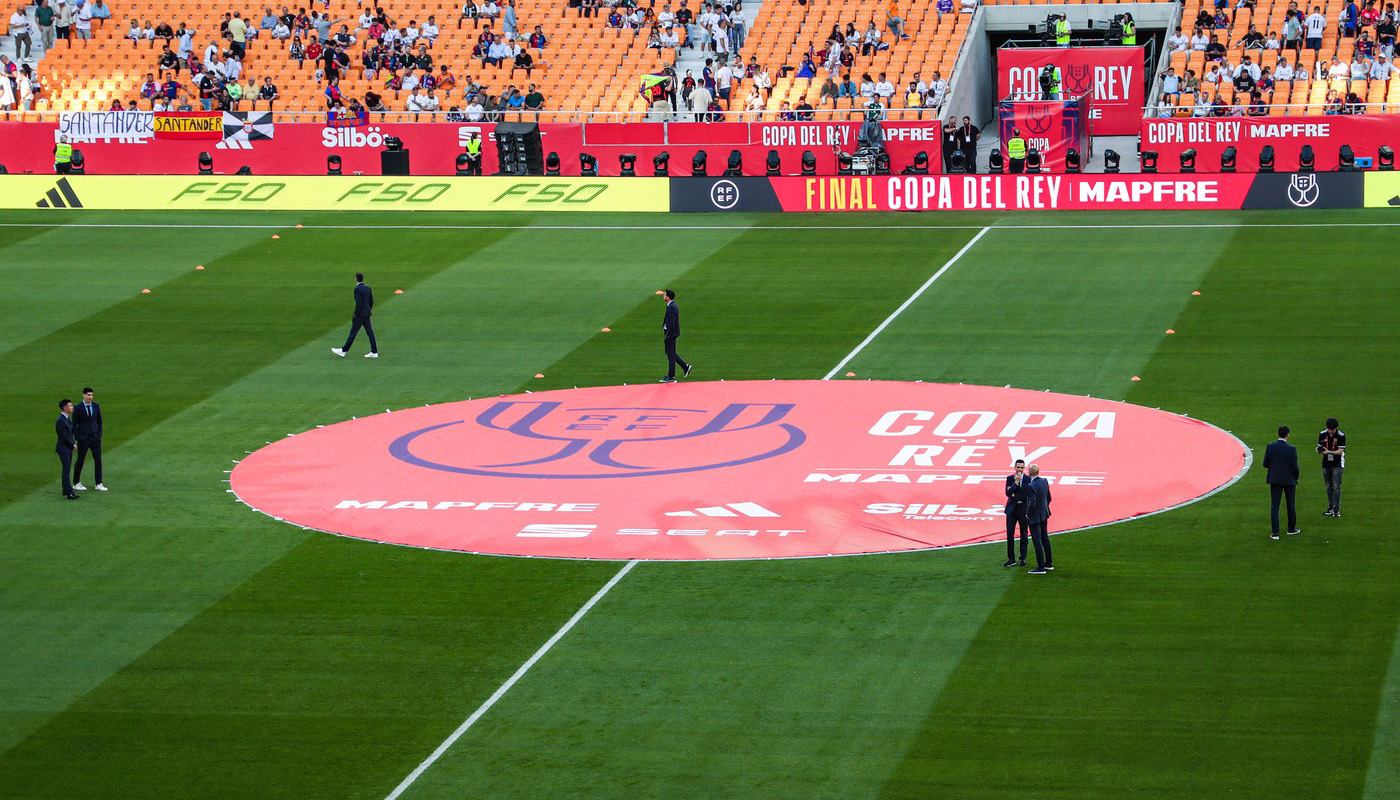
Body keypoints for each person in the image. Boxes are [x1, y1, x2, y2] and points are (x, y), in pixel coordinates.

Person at [1264, 425, 1301, 539]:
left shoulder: (1270, 447)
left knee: (1275, 505)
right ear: (1288, 435)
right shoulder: (1291, 449)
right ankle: (1291, 528)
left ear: (1277, 433)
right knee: (1291, 504)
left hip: (1275, 479)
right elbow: (1295, 467)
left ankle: (1275, 533)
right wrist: (1296, 477)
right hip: (1289, 480)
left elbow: (1265, 464)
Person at [332, 272, 378, 358]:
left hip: (360, 315)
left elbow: (359, 304)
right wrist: (368, 310)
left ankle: (343, 350)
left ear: (356, 279)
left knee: (353, 333)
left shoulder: (357, 289)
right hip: (366, 314)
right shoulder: (368, 288)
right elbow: (371, 301)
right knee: (370, 332)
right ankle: (374, 352)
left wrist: (355, 313)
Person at [72, 387, 105, 491]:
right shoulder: (78, 407)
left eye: (91, 395)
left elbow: (99, 421)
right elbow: (74, 424)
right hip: (83, 438)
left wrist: (99, 434)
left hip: (95, 438)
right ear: (83, 395)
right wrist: (78, 437)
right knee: (80, 460)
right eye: (88, 395)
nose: (90, 397)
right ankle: (76, 482)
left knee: (98, 460)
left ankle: (99, 483)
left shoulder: (96, 406)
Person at [1025, 463, 1053, 573]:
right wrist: (1044, 508)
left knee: (1037, 541)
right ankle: (1049, 563)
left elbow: (1032, 503)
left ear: (1030, 473)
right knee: (1045, 538)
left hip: (1035, 517)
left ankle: (1041, 567)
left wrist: (1028, 514)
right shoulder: (1044, 481)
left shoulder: (1031, 486)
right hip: (1044, 513)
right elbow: (1049, 498)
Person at [1003, 459, 1031, 567]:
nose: (1019, 469)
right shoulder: (1010, 479)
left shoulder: (1028, 480)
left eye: (1021, 467)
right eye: (1018, 467)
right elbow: (1008, 493)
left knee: (1024, 533)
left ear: (1024, 468)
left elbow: (1026, 494)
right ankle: (1011, 558)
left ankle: (1022, 558)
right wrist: (1016, 483)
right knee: (1010, 533)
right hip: (1011, 509)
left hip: (1023, 509)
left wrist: (1016, 496)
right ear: (1014, 467)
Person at [659, 288, 691, 383]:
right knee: (669, 352)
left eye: (664, 294)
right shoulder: (671, 305)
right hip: (670, 333)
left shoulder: (672, 307)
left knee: (671, 354)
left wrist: (668, 336)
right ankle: (685, 367)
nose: (663, 296)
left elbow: (672, 324)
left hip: (671, 334)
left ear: (668, 297)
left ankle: (671, 375)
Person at [1317, 417, 1346, 516]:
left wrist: (1329, 451)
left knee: (1336, 486)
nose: (1330, 431)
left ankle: (1336, 508)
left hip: (1337, 464)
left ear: (1336, 428)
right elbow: (1318, 447)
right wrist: (1318, 450)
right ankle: (1331, 507)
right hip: (1326, 463)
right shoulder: (1322, 434)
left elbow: (1340, 451)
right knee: (1329, 486)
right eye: (1329, 429)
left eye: (1332, 429)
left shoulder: (1341, 435)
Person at [56, 398, 79, 500]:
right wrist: (73, 445)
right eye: (70, 406)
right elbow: (63, 436)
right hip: (63, 449)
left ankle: (66, 489)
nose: (72, 407)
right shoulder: (61, 421)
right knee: (66, 470)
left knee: (66, 469)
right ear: (65, 408)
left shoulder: (66, 419)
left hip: (66, 448)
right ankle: (69, 492)